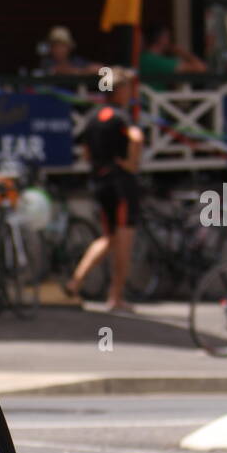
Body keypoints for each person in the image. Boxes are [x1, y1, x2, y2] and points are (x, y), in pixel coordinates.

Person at [64, 67, 144, 313]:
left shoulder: (93, 118)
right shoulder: (121, 117)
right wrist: (131, 164)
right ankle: (116, 296)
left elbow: (86, 152)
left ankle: (75, 281)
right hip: (121, 182)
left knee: (108, 237)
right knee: (123, 240)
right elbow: (137, 137)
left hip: (100, 181)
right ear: (119, 91)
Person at [139, 24, 207, 91]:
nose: (170, 41)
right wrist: (180, 51)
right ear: (161, 39)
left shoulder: (142, 58)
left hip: (151, 99)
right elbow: (200, 68)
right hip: (151, 101)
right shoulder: (155, 61)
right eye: (168, 37)